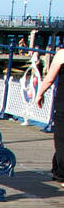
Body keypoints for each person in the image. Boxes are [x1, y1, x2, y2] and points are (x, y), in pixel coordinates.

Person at [35, 47, 64, 182]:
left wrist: (39, 93)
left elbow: (49, 79)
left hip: (62, 105)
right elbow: (50, 79)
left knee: (61, 140)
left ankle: (60, 173)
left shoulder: (61, 54)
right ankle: (59, 171)